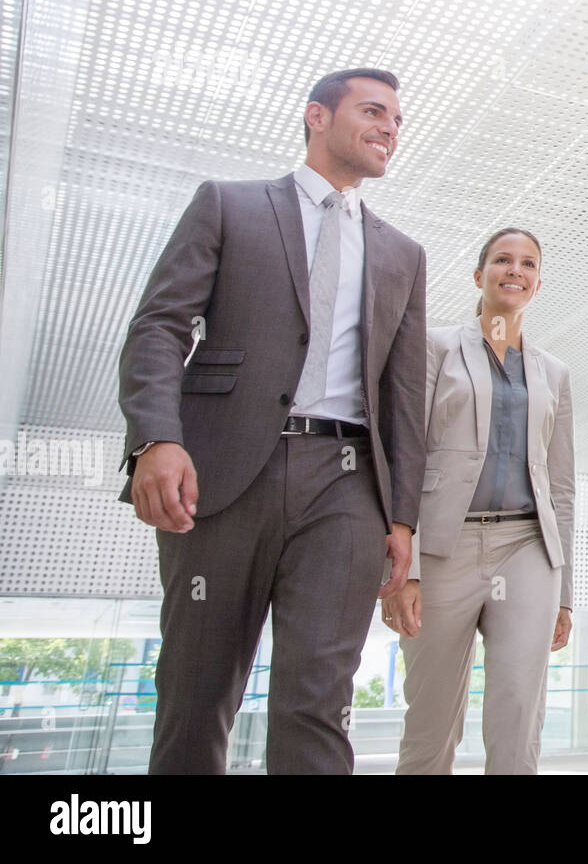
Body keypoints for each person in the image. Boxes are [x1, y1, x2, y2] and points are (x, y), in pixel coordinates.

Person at [118, 68, 427, 774]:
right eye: (374, 111)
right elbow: (160, 326)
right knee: (196, 693)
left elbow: (403, 398)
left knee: (318, 697)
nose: (390, 129)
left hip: (347, 489)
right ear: (316, 116)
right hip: (222, 474)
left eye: (398, 121)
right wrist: (157, 438)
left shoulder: (402, 255)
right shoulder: (229, 206)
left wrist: (404, 517)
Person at [383, 228, 574, 774]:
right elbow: (405, 456)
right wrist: (406, 570)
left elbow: (561, 485)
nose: (515, 270)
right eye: (502, 260)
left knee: (519, 712)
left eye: (527, 264)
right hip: (445, 546)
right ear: (479, 275)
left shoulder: (553, 373)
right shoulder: (434, 348)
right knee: (431, 721)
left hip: (527, 547)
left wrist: (564, 591)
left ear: (538, 284)